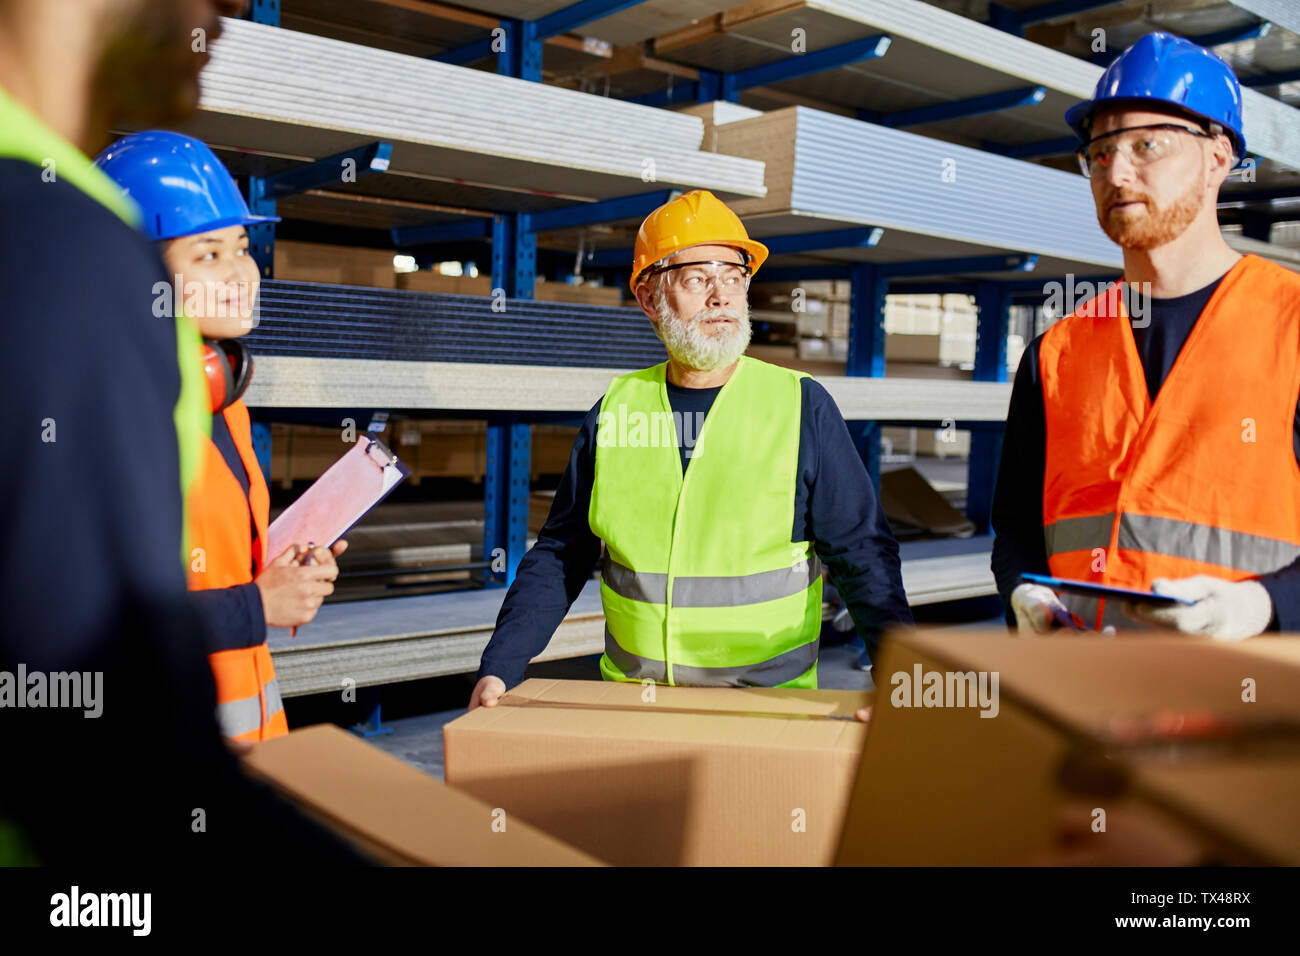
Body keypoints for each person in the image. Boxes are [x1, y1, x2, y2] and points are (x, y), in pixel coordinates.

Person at [0, 0, 365, 864]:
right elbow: (89, 720)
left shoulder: (52, 220)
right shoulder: (62, 244)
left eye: (241, 247)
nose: (225, 15)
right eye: (205, 254)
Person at [468, 190, 911, 712]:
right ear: (650, 299)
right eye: (699, 279)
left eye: (734, 276)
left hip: (767, 706)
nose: (721, 296)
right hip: (636, 706)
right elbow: (564, 552)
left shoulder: (800, 405)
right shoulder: (617, 410)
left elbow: (861, 552)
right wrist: (501, 665)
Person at [992, 31, 1300, 639]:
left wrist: (1263, 606)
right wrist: (1025, 594)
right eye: (1099, 152)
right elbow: (1019, 528)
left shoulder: (1292, 326)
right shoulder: (1056, 354)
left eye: (1146, 144)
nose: (1117, 171)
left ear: (1219, 156)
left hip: (1252, 707)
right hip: (1090, 700)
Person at [96, 131, 346, 744]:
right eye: (207, 255)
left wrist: (285, 571)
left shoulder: (221, 396)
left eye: (242, 246)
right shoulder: (105, 416)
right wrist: (259, 606)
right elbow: (89, 623)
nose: (242, 272)